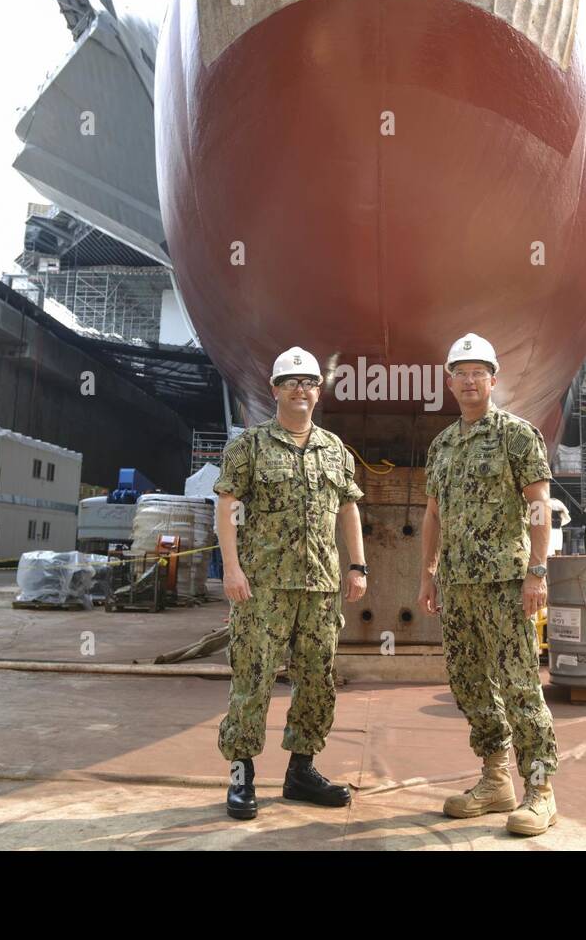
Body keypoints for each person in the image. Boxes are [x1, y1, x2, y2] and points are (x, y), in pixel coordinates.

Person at [213, 347, 368, 820]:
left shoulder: (334, 449)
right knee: (253, 679)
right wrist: (233, 570)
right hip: (262, 588)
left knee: (317, 681)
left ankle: (301, 770)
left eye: (310, 382)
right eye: (292, 381)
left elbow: (348, 508)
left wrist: (357, 566)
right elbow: (226, 507)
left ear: (318, 392)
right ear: (275, 390)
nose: (301, 389)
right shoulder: (250, 446)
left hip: (320, 587)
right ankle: (241, 775)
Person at [416, 332, 559, 836]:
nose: (470, 380)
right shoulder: (443, 444)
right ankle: (496, 779)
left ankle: (540, 790)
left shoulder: (518, 436)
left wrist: (538, 572)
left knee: (520, 684)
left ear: (493, 380)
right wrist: (429, 572)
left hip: (505, 583)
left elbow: (538, 505)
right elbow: (433, 513)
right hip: (457, 586)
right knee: (470, 684)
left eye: (479, 372)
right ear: (449, 382)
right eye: (462, 372)